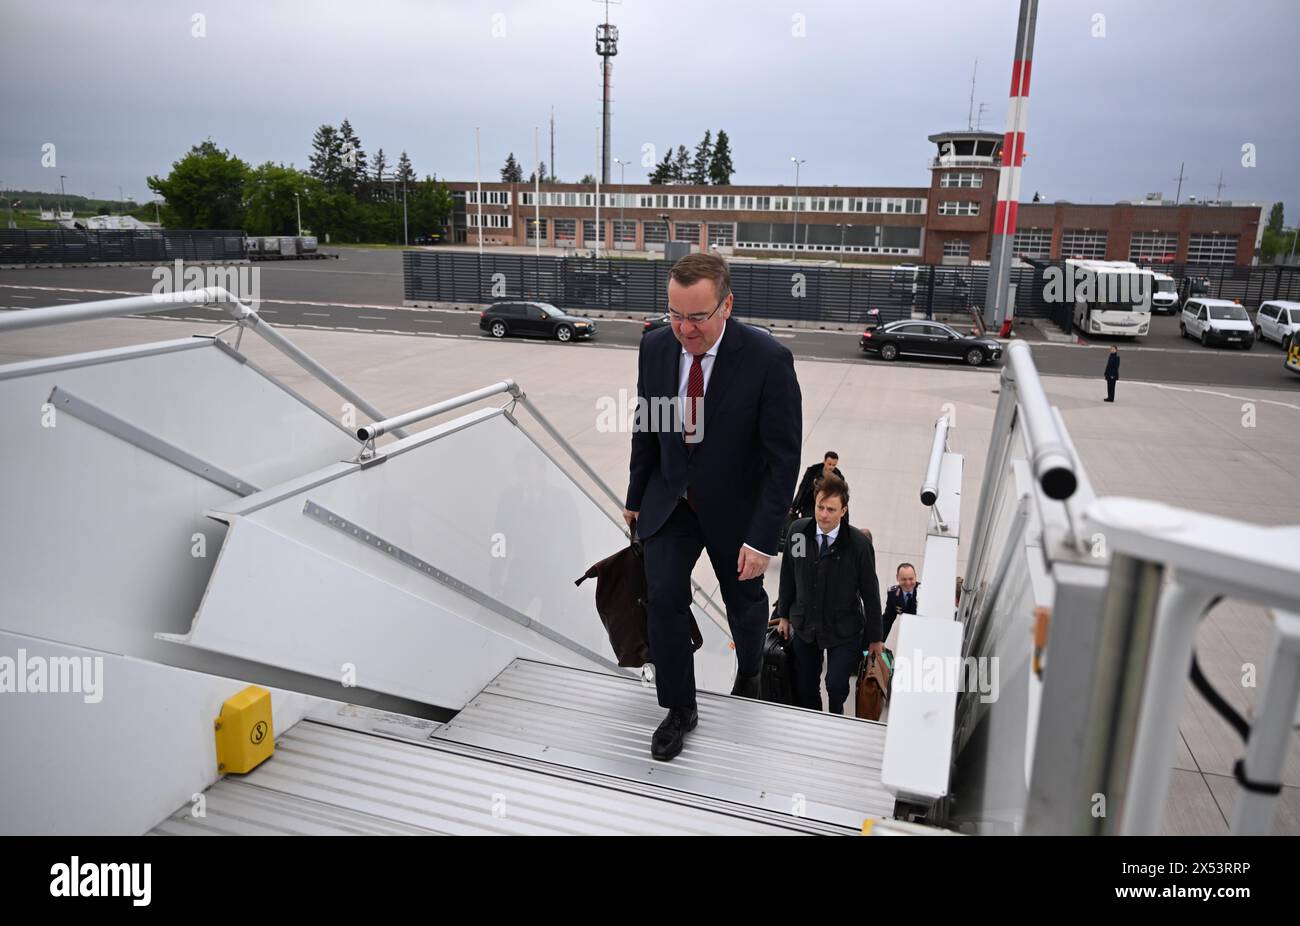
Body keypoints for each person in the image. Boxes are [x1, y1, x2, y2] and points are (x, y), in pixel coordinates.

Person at [623, 253, 802, 762]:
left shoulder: (768, 360)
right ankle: (680, 707)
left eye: (697, 317)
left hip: (738, 513)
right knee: (663, 599)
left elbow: (782, 458)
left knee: (744, 606)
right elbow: (646, 426)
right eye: (674, 314)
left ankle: (749, 671)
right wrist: (637, 497)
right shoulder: (656, 347)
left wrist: (763, 538)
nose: (684, 329)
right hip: (671, 501)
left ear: (727, 305)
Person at [776, 476, 882, 715]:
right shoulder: (799, 533)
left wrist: (876, 639)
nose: (823, 515)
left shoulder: (858, 546)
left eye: (831, 509)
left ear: (843, 511)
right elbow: (790, 574)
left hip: (843, 629)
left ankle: (836, 716)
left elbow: (870, 593)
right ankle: (812, 722)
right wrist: (784, 615)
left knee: (835, 685)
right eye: (820, 507)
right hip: (805, 626)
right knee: (805, 685)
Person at [791, 452, 843, 520]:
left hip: (825, 505)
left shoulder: (838, 477)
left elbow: (841, 495)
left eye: (834, 465)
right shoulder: (812, 471)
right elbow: (802, 488)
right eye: (829, 464)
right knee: (808, 523)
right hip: (809, 503)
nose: (831, 467)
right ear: (824, 461)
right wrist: (794, 507)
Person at [881, 563, 919, 643]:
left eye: (911, 579)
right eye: (904, 579)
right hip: (906, 635)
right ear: (897, 578)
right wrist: (880, 641)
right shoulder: (893, 593)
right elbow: (888, 619)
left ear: (915, 576)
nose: (908, 583)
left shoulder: (924, 591)